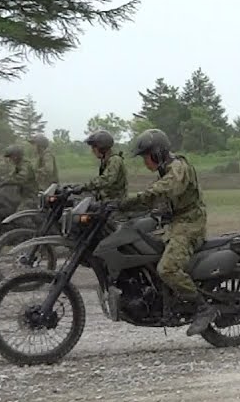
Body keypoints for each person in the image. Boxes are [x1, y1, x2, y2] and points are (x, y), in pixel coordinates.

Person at [117, 128, 216, 337]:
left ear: (158, 152)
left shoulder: (178, 168)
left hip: (189, 225)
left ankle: (203, 307)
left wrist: (132, 201)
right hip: (174, 223)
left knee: (167, 269)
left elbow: (163, 190)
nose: (145, 162)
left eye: (146, 156)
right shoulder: (166, 169)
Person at [82, 129, 127, 201]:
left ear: (101, 148)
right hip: (107, 203)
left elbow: (107, 179)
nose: (92, 150)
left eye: (94, 147)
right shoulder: (106, 161)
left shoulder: (115, 160)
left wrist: (84, 187)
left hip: (115, 204)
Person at [0, 144, 37, 210]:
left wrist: (6, 181)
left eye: (11, 156)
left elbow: (21, 178)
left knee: (20, 214)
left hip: (30, 196)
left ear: (16, 156)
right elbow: (10, 176)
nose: (10, 159)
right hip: (20, 195)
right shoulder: (18, 165)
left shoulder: (25, 165)